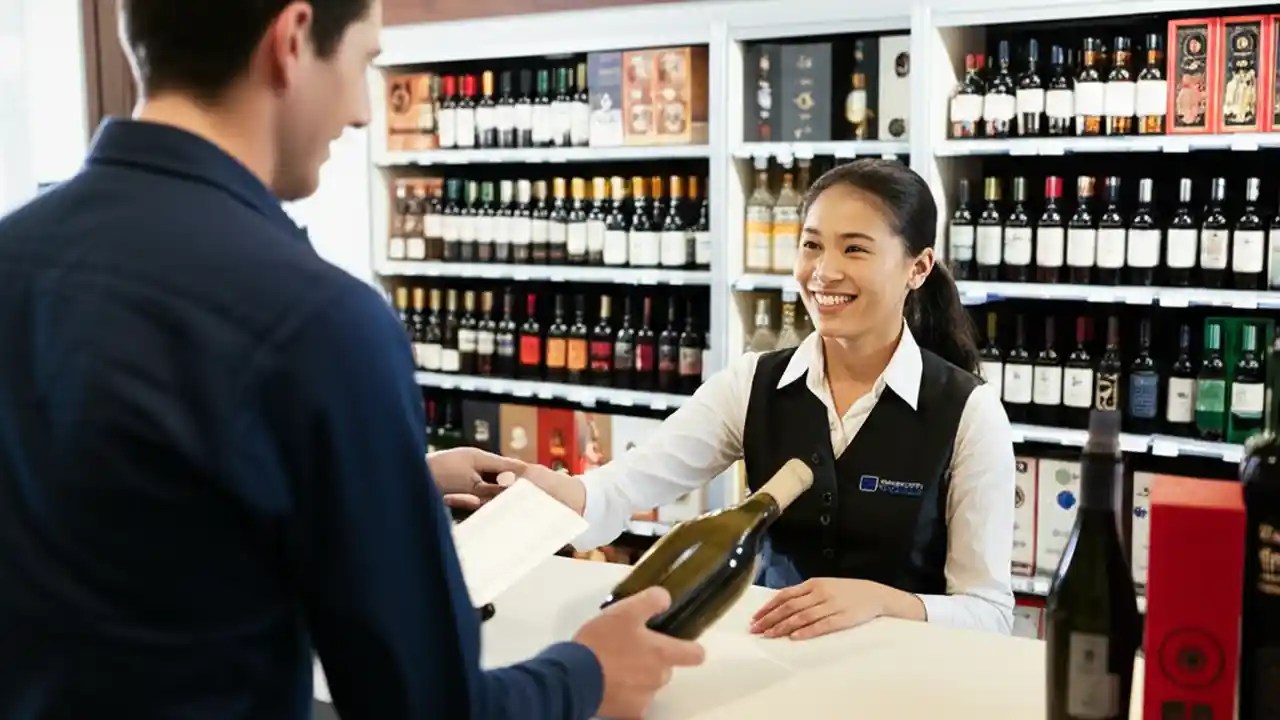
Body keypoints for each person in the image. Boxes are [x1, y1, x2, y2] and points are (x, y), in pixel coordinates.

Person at [0, 1, 703, 719]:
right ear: (293, 38)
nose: (365, 112)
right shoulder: (319, 320)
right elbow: (425, 704)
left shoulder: (15, 255)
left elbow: (132, 506)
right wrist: (589, 674)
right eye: (364, 61)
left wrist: (394, 484)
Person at [528, 159, 1017, 638]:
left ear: (919, 267)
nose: (823, 272)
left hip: (904, 682)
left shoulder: (969, 412)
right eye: (811, 245)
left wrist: (884, 601)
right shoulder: (752, 384)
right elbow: (621, 489)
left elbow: (989, 612)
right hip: (771, 660)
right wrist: (541, 492)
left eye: (855, 250)